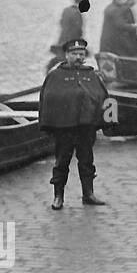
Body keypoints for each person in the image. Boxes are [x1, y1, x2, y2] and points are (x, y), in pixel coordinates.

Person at [38, 37, 109, 210]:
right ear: (67, 55)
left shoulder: (91, 75)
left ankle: (88, 194)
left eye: (81, 53)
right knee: (62, 161)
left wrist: (102, 120)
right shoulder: (55, 76)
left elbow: (103, 97)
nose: (78, 57)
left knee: (86, 160)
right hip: (64, 128)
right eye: (74, 53)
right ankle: (58, 197)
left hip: (86, 127)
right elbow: (47, 99)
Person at [49, 0, 91, 71]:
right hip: (72, 40)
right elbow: (78, 29)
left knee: (62, 57)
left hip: (62, 38)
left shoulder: (66, 10)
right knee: (71, 58)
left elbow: (61, 23)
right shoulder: (77, 13)